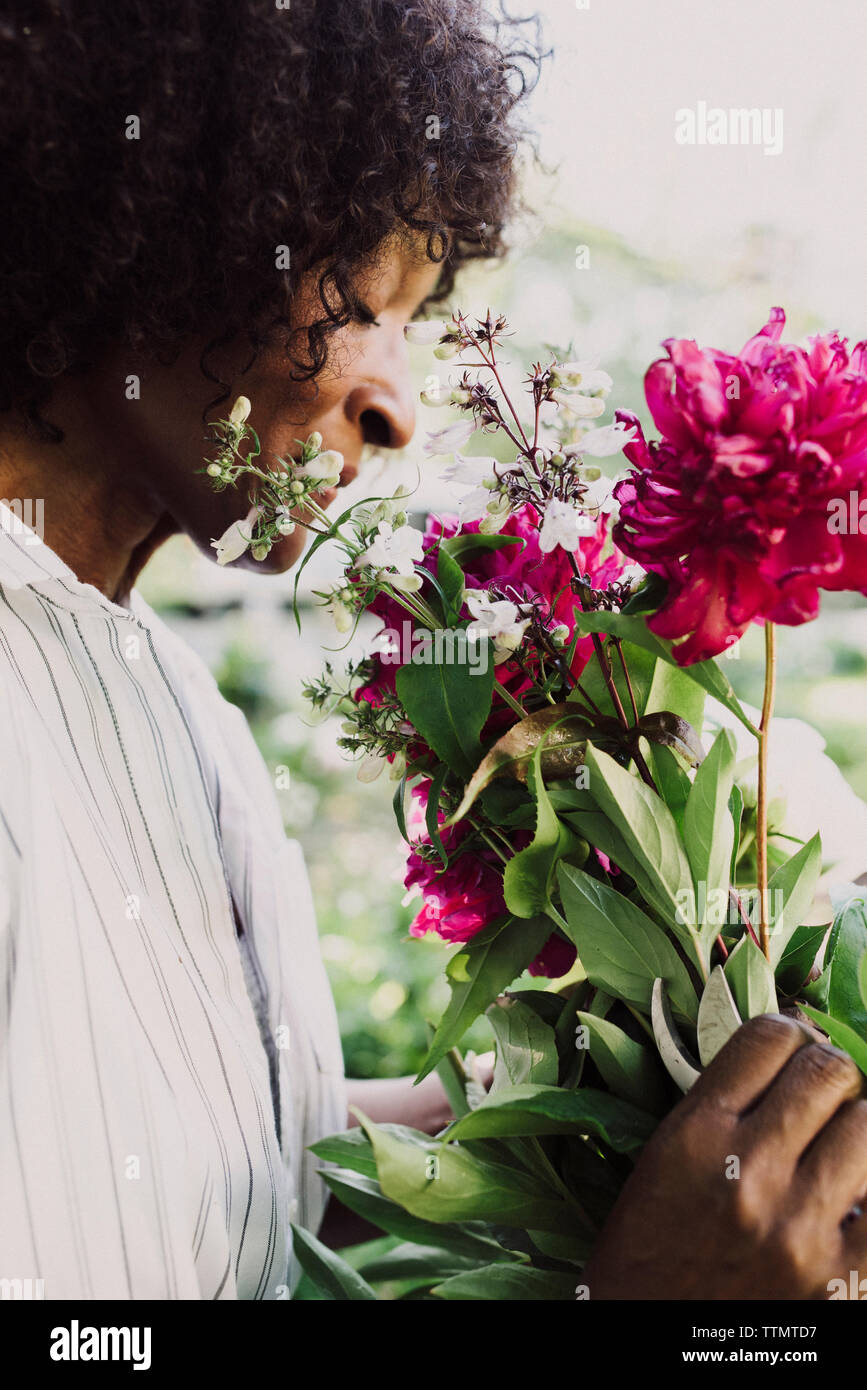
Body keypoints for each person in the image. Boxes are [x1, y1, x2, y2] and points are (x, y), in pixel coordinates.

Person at [0, 0, 863, 1300]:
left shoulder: (180, 709)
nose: (397, 404)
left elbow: (218, 1177)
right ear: (146, 221)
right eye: (355, 298)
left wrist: (629, 1124)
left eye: (415, 318)